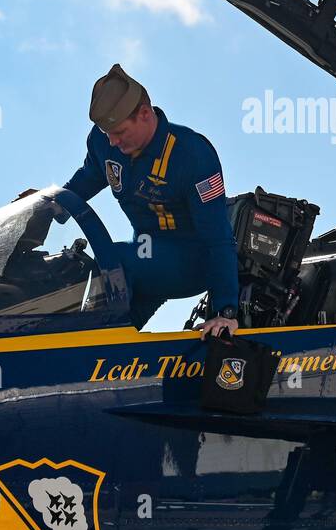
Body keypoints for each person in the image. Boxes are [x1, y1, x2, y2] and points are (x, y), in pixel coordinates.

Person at [54, 64, 239, 337]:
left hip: (193, 262)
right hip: (146, 256)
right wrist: (51, 207)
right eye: (108, 135)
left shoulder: (192, 155)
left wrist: (225, 312)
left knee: (113, 261)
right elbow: (89, 176)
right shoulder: (104, 141)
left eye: (120, 132)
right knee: (106, 337)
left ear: (144, 114)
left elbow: (219, 238)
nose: (113, 142)